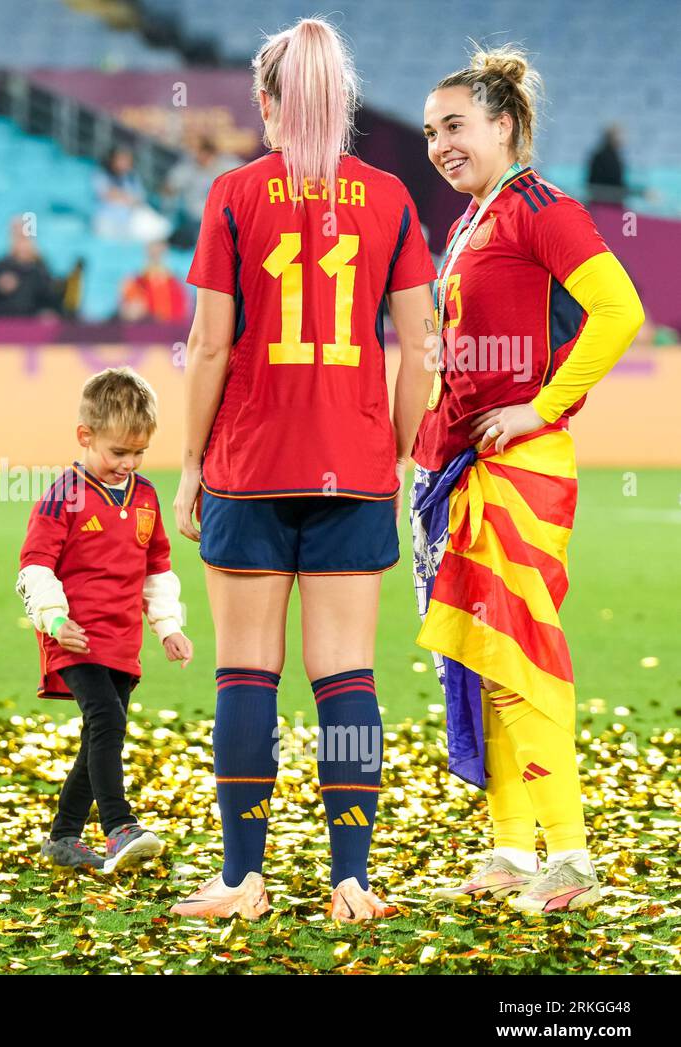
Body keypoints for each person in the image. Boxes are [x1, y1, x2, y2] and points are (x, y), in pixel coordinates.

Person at [166, 18, 438, 923]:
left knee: (246, 673)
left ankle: (243, 878)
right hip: (352, 469)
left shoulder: (234, 194)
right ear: (345, 100)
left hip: (248, 461)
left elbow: (208, 347)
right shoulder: (392, 196)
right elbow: (422, 353)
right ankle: (350, 877)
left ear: (268, 102)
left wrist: (189, 465)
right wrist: (391, 450)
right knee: (347, 677)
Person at [414, 47, 643, 914]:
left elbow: (621, 307)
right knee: (482, 655)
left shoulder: (541, 206)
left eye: (456, 126)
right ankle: (513, 846)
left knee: (521, 656)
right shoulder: (472, 220)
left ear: (504, 125)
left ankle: (573, 858)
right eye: (433, 130)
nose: (440, 143)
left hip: (518, 467)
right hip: (464, 465)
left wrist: (543, 407)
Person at [16, 368, 193, 873]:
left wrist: (168, 626)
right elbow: (34, 565)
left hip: (123, 641)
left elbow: (156, 569)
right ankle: (119, 826)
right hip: (74, 639)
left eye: (139, 453)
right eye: (118, 452)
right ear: (85, 437)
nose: (128, 463)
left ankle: (63, 838)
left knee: (101, 735)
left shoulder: (145, 497)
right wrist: (54, 619)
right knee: (107, 722)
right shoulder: (63, 495)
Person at [165, 136, 240, 249]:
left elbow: (248, 180)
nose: (198, 156)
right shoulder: (187, 169)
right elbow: (168, 188)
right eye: (196, 152)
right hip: (194, 219)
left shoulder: (228, 166)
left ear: (211, 153)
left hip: (222, 218)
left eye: (201, 152)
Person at [0, 220, 60, 318]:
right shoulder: (0, 266)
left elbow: (50, 299)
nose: (21, 243)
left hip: (31, 324)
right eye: (17, 237)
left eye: (24, 238)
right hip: (2, 322)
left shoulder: (40, 268)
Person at [93, 147, 172, 243]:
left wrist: (124, 196)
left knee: (161, 226)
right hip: (107, 220)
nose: (124, 163)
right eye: (121, 159)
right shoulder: (101, 175)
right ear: (112, 159)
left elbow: (139, 198)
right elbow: (106, 194)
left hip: (129, 219)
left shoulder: (132, 178)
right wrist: (126, 197)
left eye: (127, 160)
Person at [118, 241, 188, 323]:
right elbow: (127, 313)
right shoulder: (134, 281)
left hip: (172, 329)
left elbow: (184, 313)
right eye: (153, 248)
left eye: (159, 248)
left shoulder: (176, 282)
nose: (156, 252)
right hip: (146, 328)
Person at [586, 125, 628, 206]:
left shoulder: (598, 155)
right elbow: (615, 183)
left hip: (596, 199)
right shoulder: (611, 158)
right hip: (609, 201)